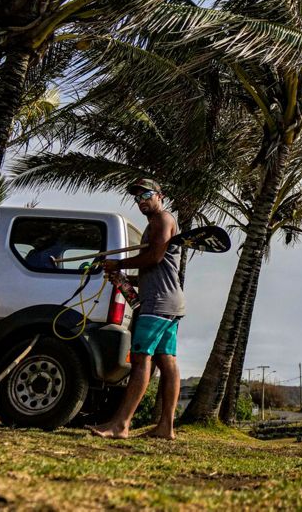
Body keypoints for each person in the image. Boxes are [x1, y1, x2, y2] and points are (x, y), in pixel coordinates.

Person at [89, 178, 183, 440]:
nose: (141, 201)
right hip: (167, 301)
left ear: (160, 195)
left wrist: (119, 264)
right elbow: (151, 271)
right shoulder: (154, 224)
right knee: (167, 361)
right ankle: (166, 427)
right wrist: (122, 279)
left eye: (146, 195)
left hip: (158, 303)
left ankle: (121, 425)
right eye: (137, 197)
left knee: (142, 359)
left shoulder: (163, 219)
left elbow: (155, 257)